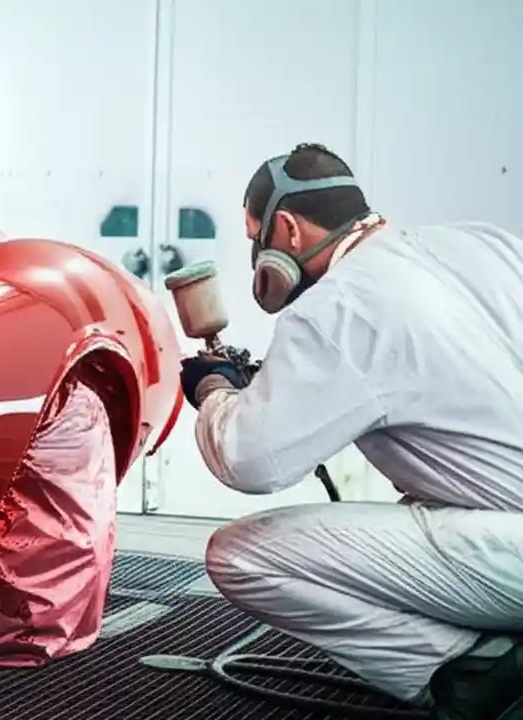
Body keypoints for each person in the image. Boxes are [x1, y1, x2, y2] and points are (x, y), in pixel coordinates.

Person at [180, 142, 523, 720]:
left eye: (253, 238)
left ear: (285, 230)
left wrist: (215, 390)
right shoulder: (485, 245)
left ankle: (483, 677)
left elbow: (249, 460)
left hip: (512, 551)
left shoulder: (340, 304)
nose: (255, 253)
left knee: (241, 557)